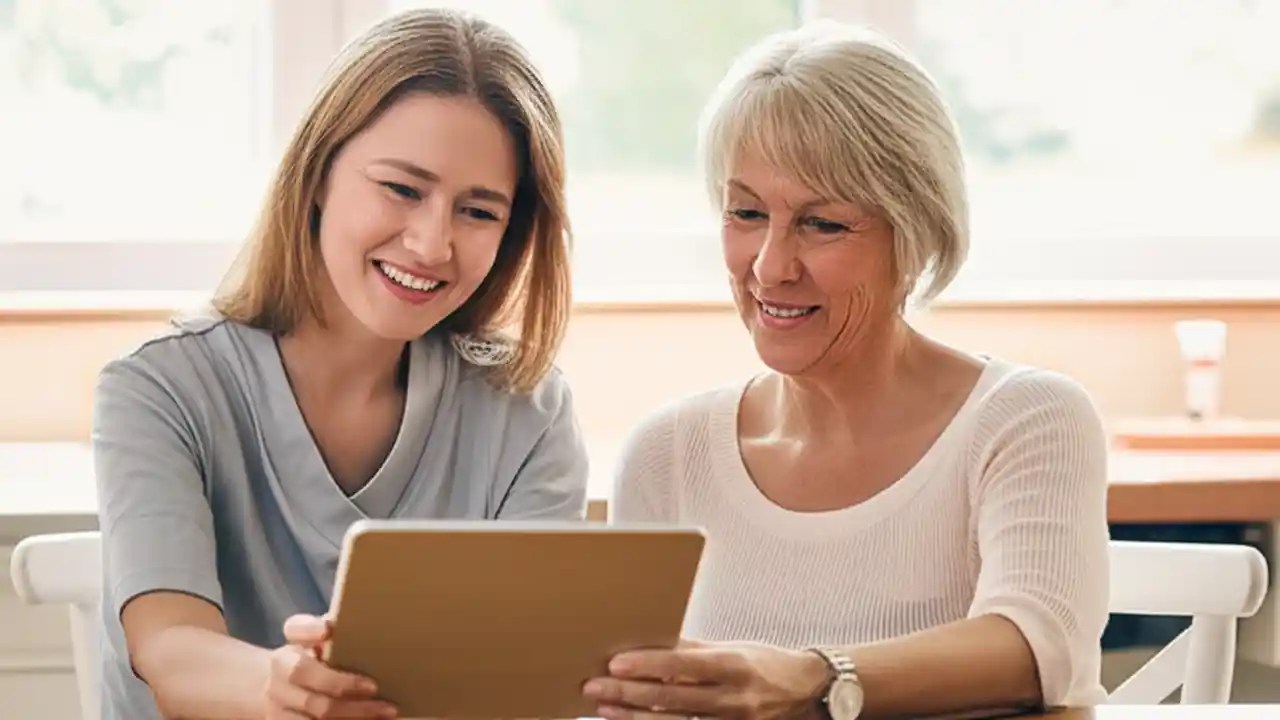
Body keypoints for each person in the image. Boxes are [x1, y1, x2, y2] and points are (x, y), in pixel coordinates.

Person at [594, 22, 1109, 720]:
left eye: (824, 224)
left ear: (917, 230)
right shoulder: (667, 454)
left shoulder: (1027, 420)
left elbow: (1039, 651)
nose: (770, 266)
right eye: (746, 212)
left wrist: (810, 681)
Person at [93, 9, 586, 719]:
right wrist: (282, 687)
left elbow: (527, 675)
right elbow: (169, 650)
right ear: (319, 173)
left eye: (478, 212)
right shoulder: (158, 390)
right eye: (402, 189)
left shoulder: (528, 413)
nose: (431, 243)